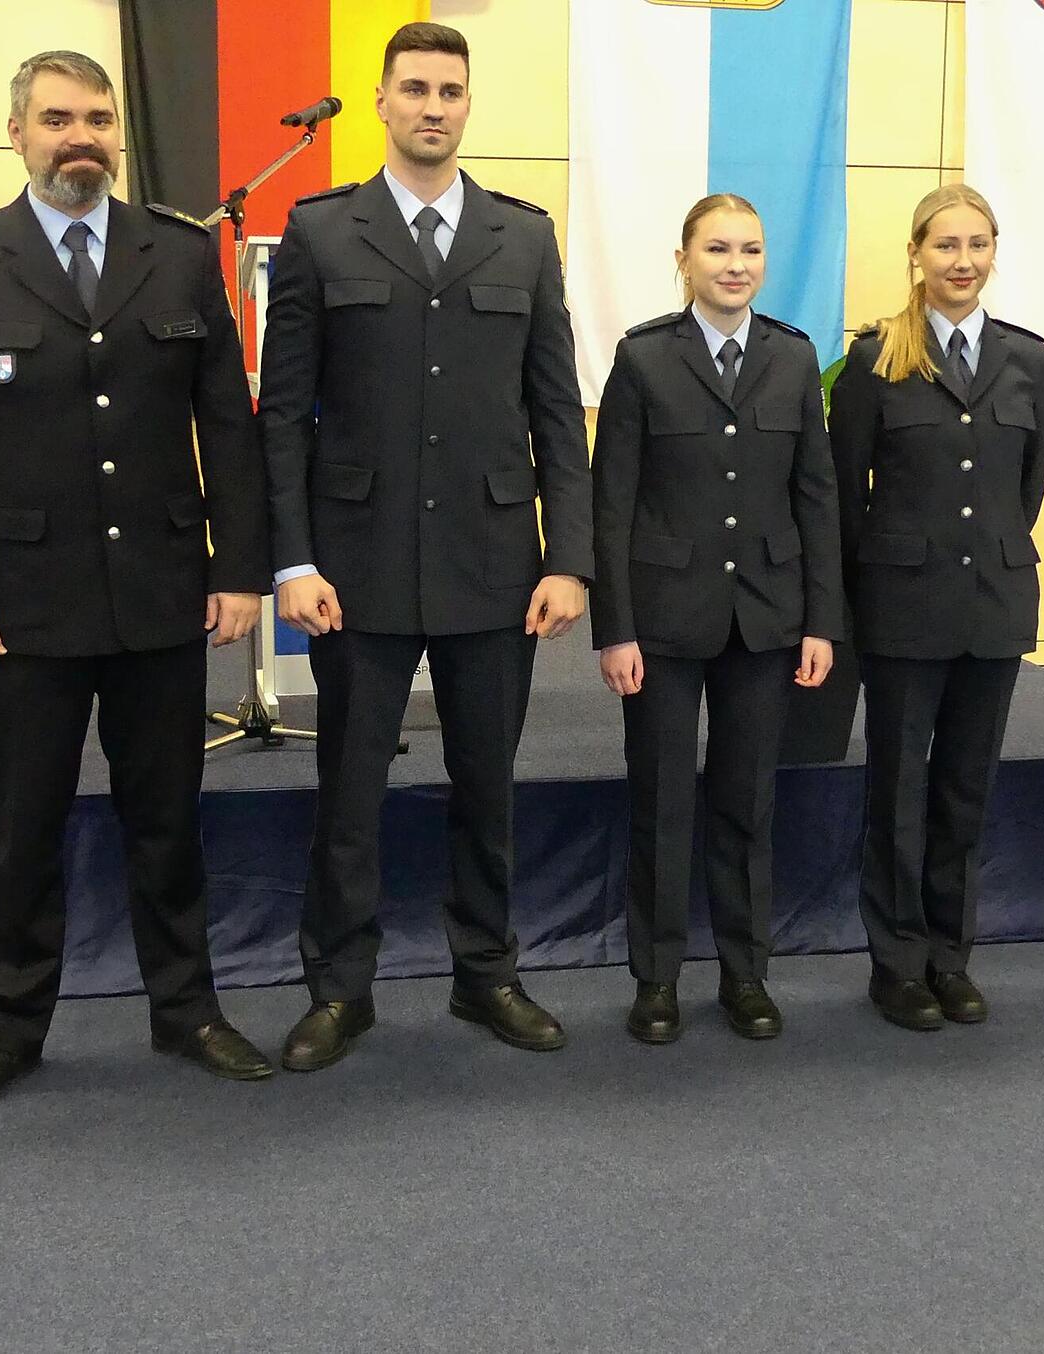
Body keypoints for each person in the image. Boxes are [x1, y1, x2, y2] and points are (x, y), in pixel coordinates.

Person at [0, 51, 273, 1117]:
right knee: (23, 829)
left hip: (160, 592)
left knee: (168, 821)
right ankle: (7, 1028)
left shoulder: (178, 253)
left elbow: (226, 423)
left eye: (99, 119)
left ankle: (187, 1010)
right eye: (59, 118)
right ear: (17, 133)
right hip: (22, 606)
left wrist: (238, 568)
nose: (83, 137)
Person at [258, 22, 594, 1070]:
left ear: (467, 104)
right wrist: (292, 560)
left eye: (449, 90)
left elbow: (555, 410)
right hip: (353, 568)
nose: (433, 107)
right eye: (414, 88)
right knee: (348, 795)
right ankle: (339, 989)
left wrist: (568, 557)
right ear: (381, 101)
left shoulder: (522, 237)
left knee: (487, 787)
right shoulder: (322, 232)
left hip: (494, 564)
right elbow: (283, 414)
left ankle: (486, 974)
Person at [591, 194, 843, 1045]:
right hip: (663, 621)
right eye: (718, 249)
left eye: (750, 250)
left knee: (748, 803)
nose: (736, 266)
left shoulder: (792, 357)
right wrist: (615, 628)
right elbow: (612, 501)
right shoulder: (644, 357)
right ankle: (657, 978)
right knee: (662, 803)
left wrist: (821, 620)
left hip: (766, 620)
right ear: (685, 260)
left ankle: (745, 973)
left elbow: (816, 496)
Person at [828, 184, 1044, 1031]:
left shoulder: (1027, 358)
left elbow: (1025, 489)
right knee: (897, 792)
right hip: (902, 607)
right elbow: (845, 492)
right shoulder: (875, 358)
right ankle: (896, 964)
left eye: (977, 245)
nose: (963, 261)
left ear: (993, 252)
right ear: (917, 254)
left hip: (993, 603)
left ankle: (949, 959)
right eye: (946, 245)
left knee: (966, 789)